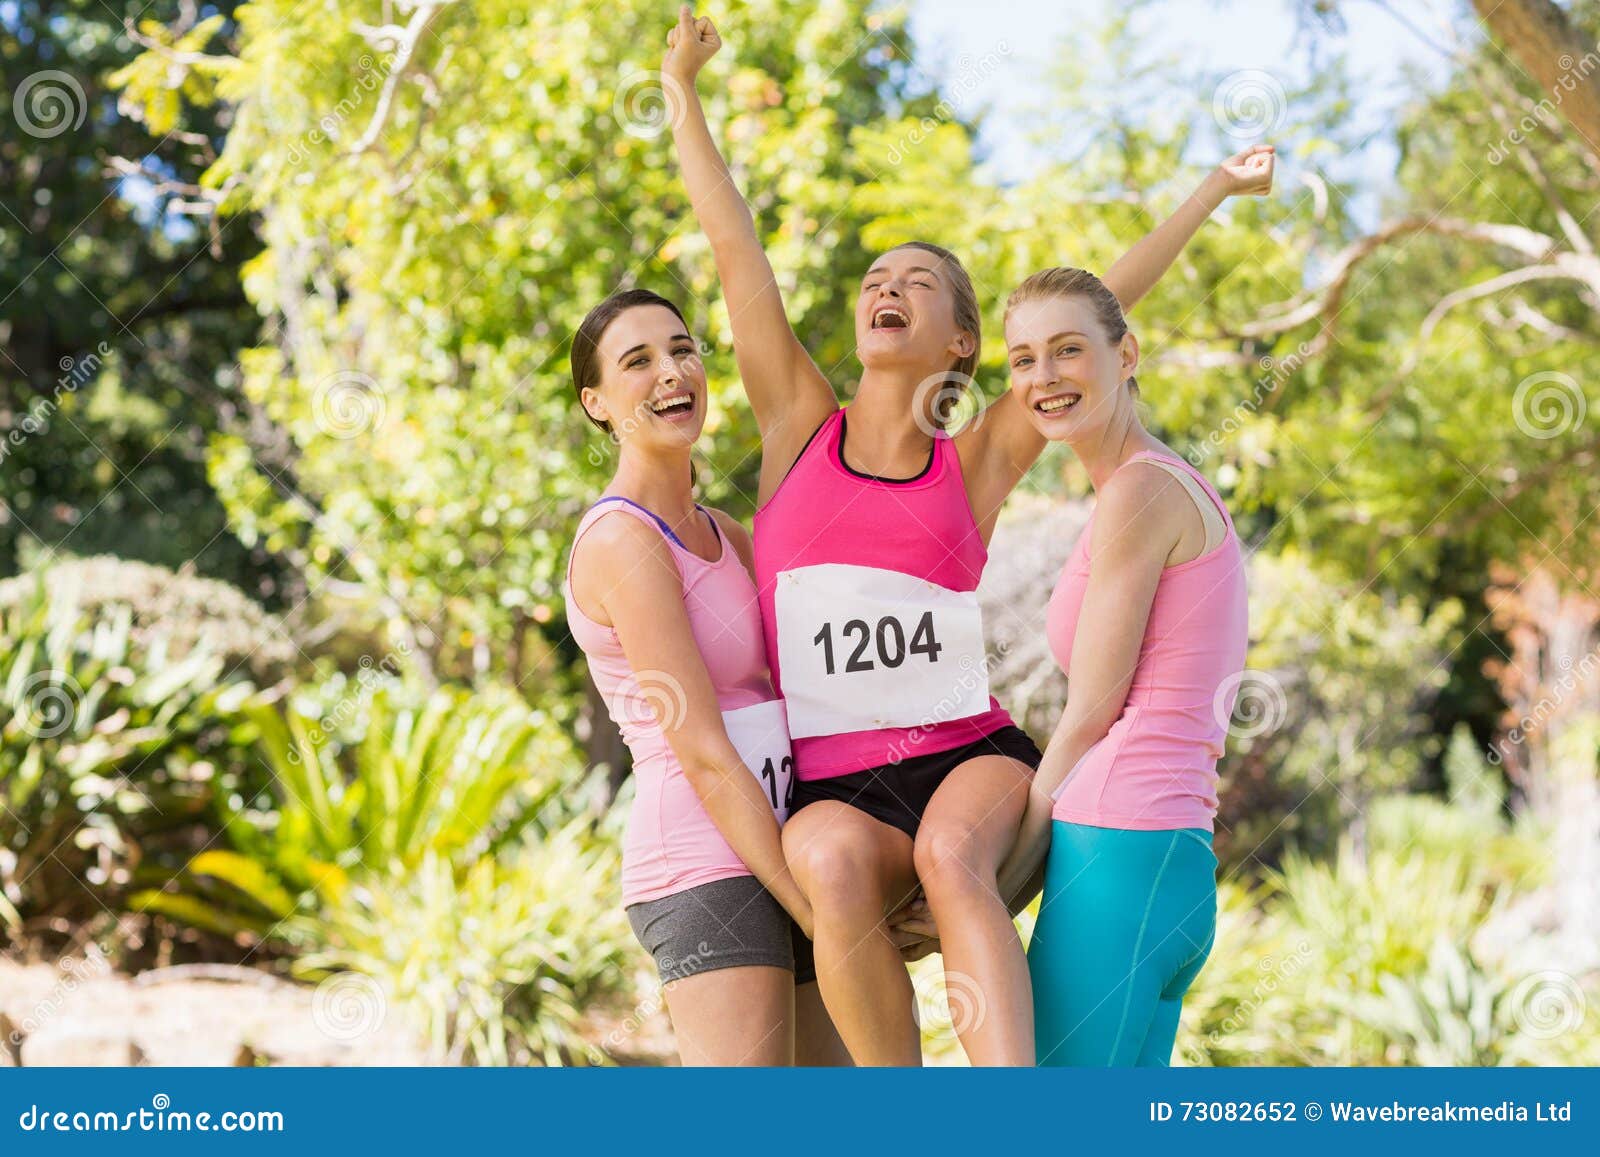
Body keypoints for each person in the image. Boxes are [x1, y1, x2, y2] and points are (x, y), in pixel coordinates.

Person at [664, 5, 1272, 1065]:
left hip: (965, 755)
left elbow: (1101, 304)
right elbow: (732, 244)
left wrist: (1211, 191)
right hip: (836, 778)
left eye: (916, 282)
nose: (884, 288)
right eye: (874, 280)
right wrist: (681, 93)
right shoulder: (796, 423)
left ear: (960, 339)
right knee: (827, 863)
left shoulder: (976, 460)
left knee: (952, 853)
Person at [563, 288, 848, 1066]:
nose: (671, 371)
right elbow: (701, 748)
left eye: (682, 349)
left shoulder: (728, 532)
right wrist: (816, 912)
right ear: (597, 402)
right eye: (638, 360)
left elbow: (804, 697)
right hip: (704, 865)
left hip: (790, 846)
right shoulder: (621, 539)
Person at [993, 267, 1250, 1065]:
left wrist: (1000, 884)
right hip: (1171, 858)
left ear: (1126, 354)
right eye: (1024, 359)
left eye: (1067, 350)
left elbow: (1091, 711)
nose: (1043, 376)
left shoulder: (1139, 492)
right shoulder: (1161, 484)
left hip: (1117, 850)